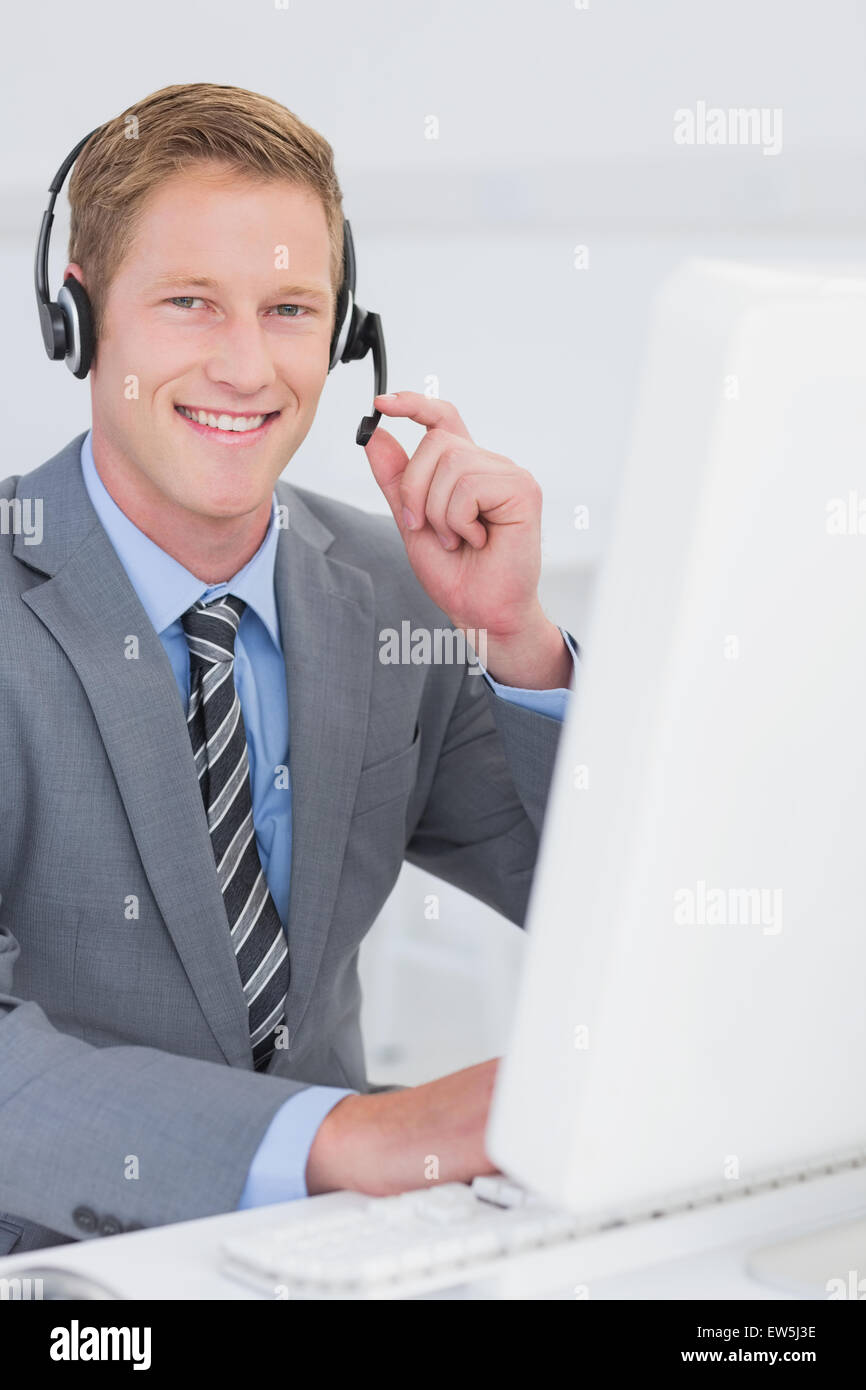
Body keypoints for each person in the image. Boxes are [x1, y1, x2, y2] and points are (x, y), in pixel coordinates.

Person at [0, 82, 577, 1255]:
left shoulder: (392, 585)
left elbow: (602, 903)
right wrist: (338, 1137)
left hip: (337, 1263)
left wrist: (517, 644)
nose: (247, 367)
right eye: (188, 304)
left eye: (288, 309)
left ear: (345, 329)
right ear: (78, 321)